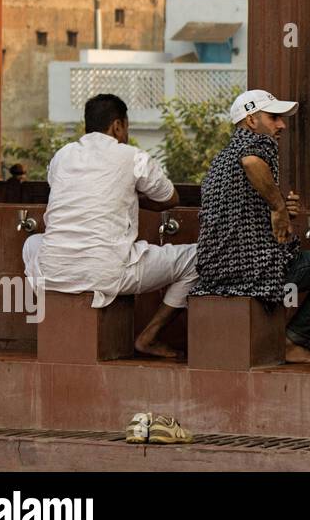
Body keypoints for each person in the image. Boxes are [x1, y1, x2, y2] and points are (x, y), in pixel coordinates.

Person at [192, 90, 310, 364]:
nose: (281, 125)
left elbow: (244, 209)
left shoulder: (221, 159)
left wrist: (280, 206)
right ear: (250, 120)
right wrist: (278, 207)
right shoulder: (258, 143)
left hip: (215, 272)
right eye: (274, 117)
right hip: (253, 272)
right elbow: (252, 161)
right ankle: (292, 341)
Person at [24, 93, 192, 359]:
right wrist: (133, 197)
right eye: (126, 127)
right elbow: (170, 198)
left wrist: (121, 195)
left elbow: (63, 187)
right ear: (117, 125)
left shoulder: (62, 155)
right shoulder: (132, 156)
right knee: (197, 258)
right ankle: (150, 336)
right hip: (107, 272)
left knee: (31, 243)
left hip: (53, 271)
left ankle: (53, 301)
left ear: (86, 126)